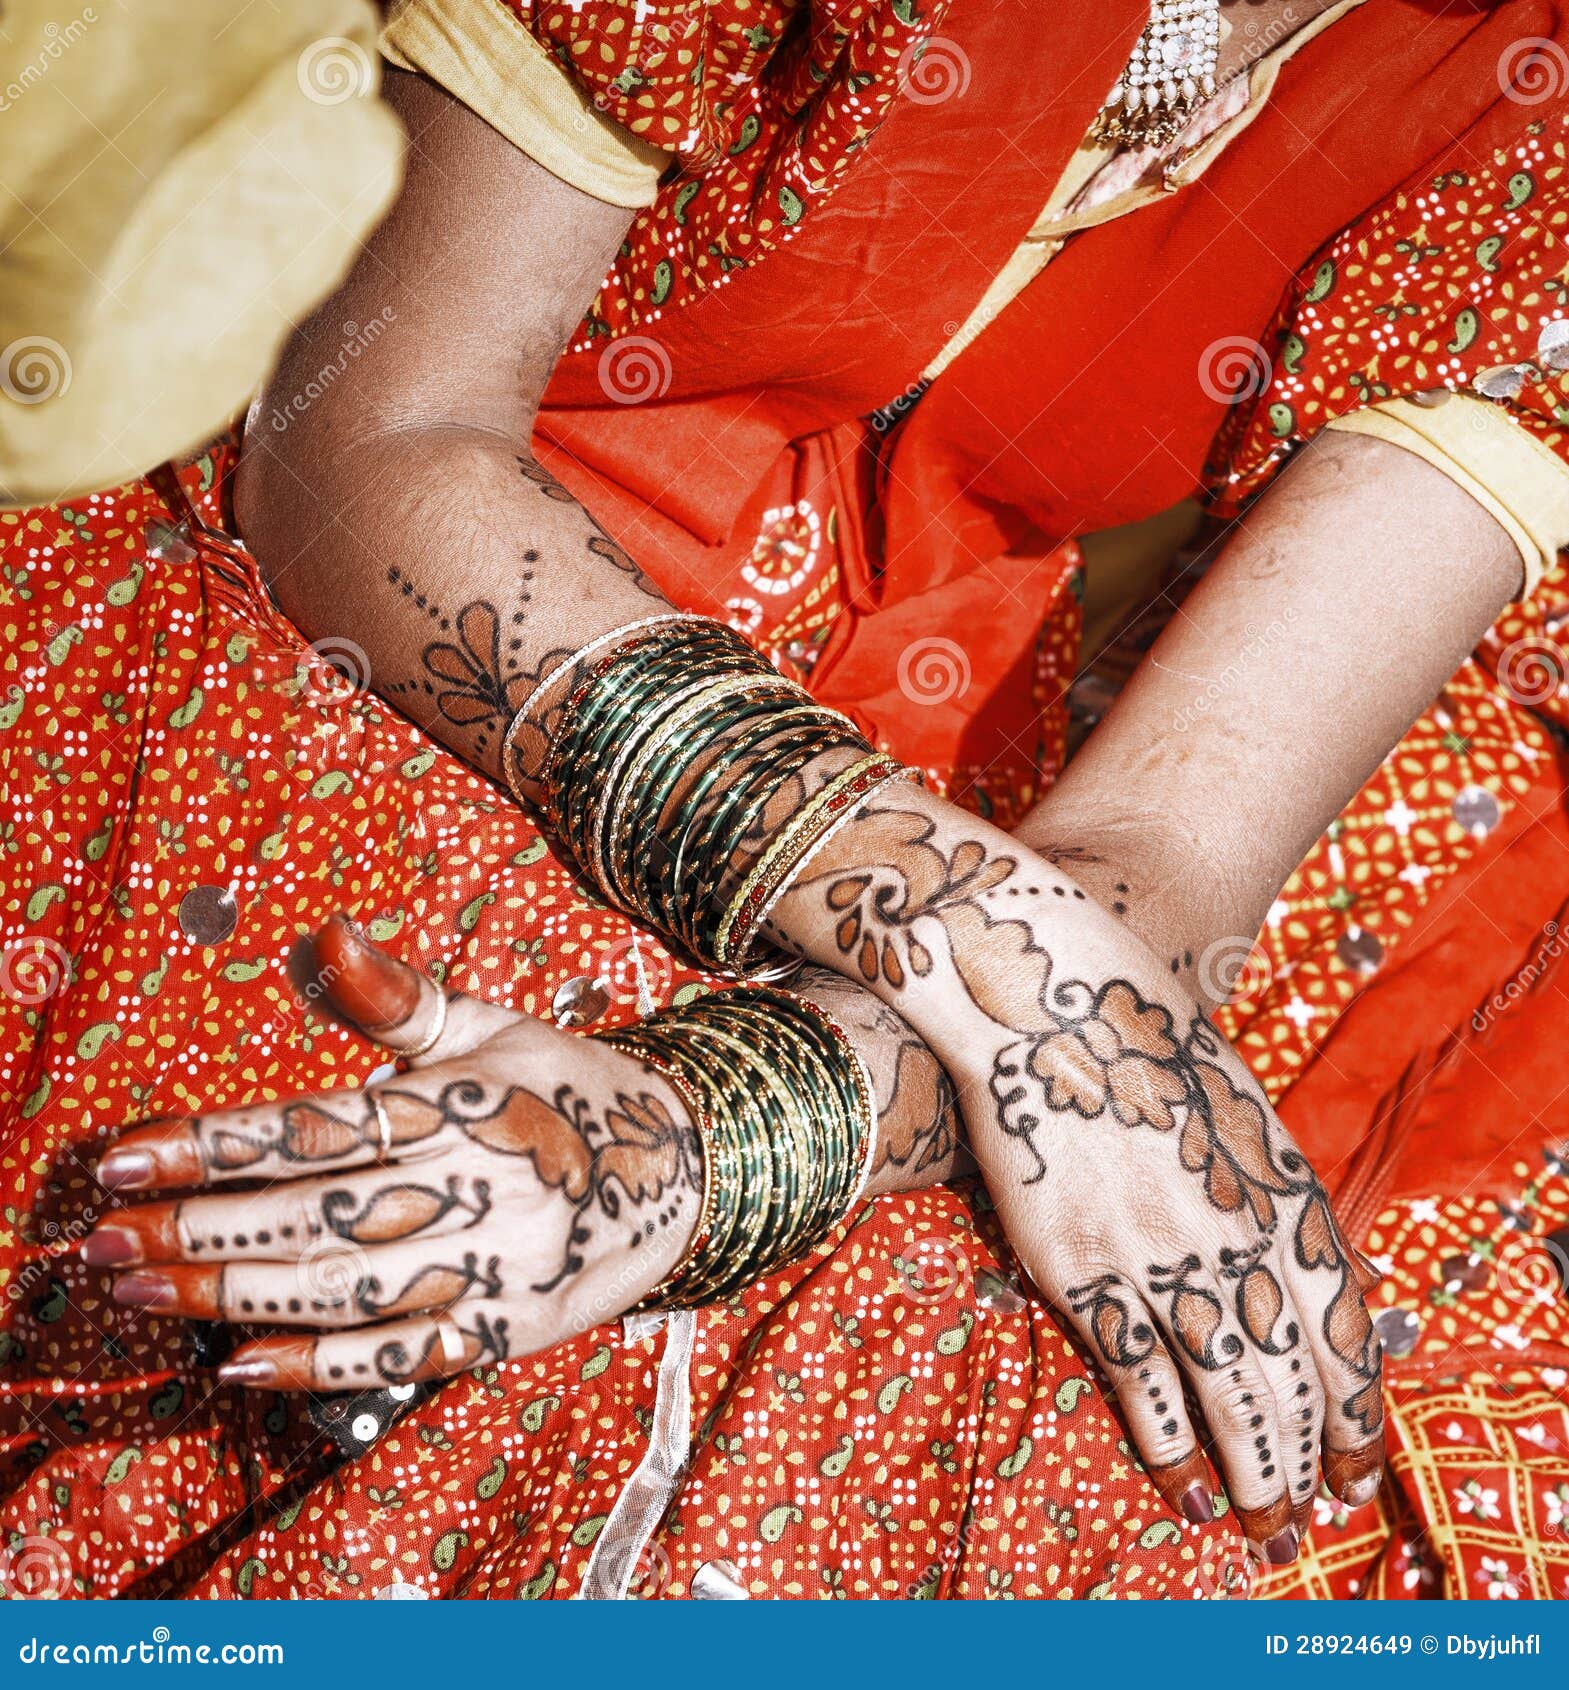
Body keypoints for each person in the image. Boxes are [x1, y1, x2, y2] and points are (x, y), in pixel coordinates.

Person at [2, 0, 1566, 1600]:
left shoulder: (1529, 98)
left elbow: (1166, 853)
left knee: (1030, 1439)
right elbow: (378, 433)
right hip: (377, 627)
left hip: (915, 844)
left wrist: (697, 1146)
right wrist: (977, 937)